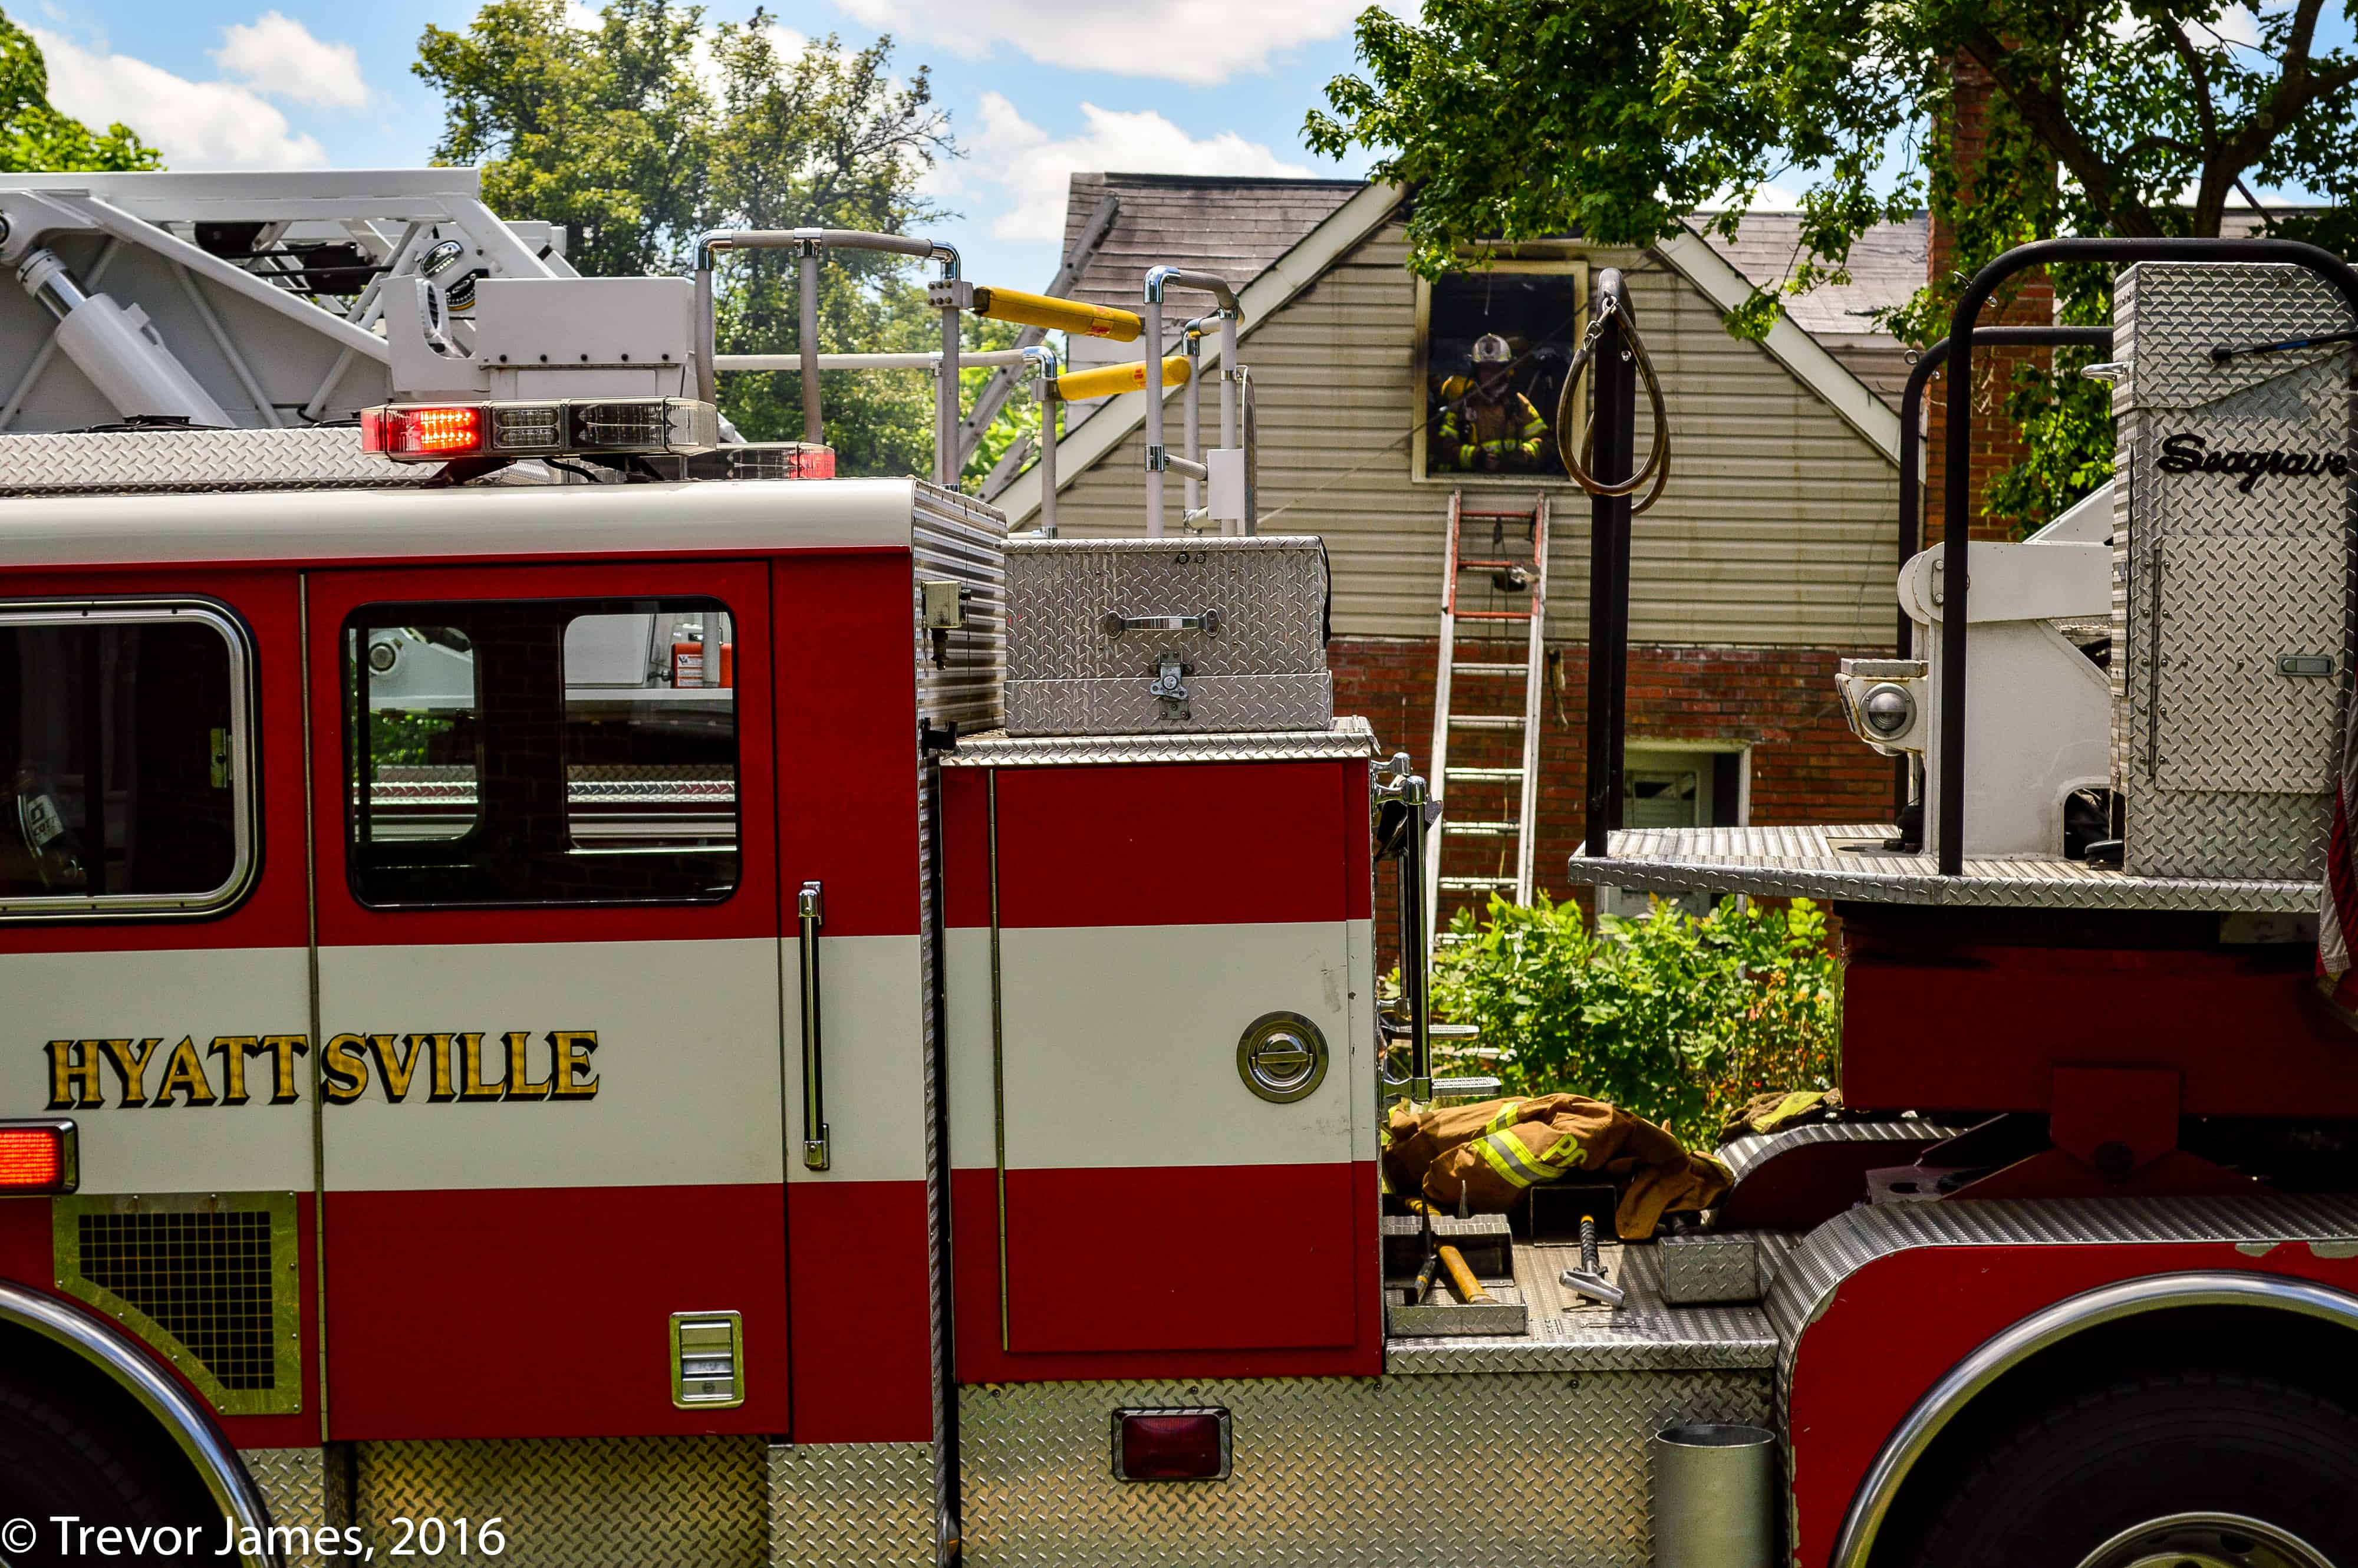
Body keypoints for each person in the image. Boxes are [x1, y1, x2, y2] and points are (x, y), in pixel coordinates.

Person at [1434, 333, 1550, 472]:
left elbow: (1544, 442)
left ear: (1505, 370)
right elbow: (1444, 447)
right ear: (1476, 370)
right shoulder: (1463, 404)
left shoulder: (1519, 404)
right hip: (1472, 484)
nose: (1489, 374)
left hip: (1514, 483)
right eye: (1484, 368)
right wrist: (1476, 457)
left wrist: (1525, 454)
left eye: (1495, 368)